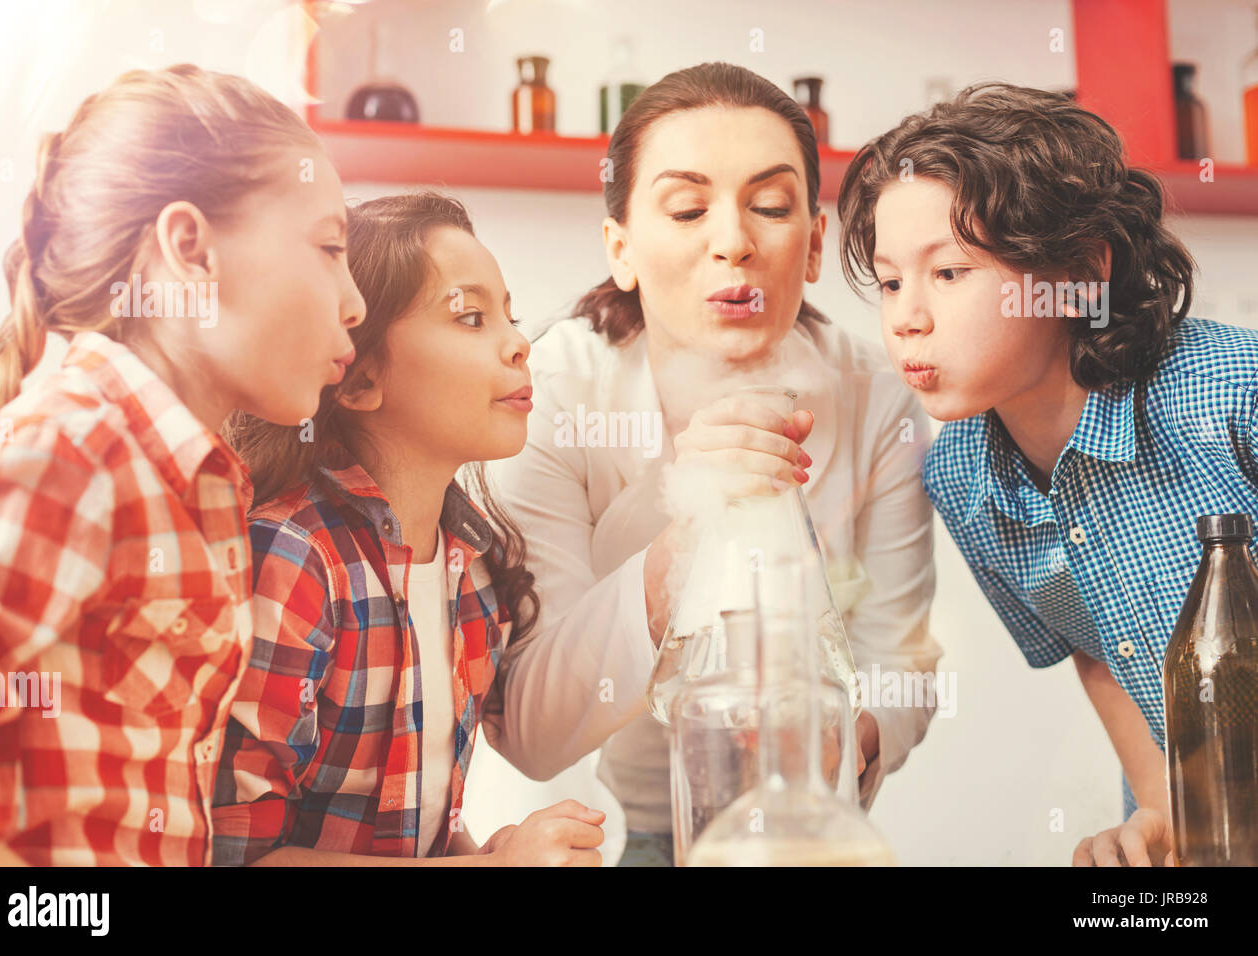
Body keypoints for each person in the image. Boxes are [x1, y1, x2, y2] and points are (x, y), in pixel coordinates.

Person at [486, 62, 941, 865]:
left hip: (812, 821)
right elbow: (529, 722)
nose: (733, 242)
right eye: (689, 208)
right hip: (627, 830)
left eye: (770, 207)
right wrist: (683, 526)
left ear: (811, 248)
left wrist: (840, 739)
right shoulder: (550, 391)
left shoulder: (876, 396)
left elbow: (899, 654)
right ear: (620, 248)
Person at [0, 64, 364, 865]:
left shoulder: (202, 481)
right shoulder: (72, 450)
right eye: (329, 248)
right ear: (190, 248)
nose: (353, 301)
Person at [837, 81, 1236, 866]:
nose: (906, 317)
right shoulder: (959, 476)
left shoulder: (1231, 395)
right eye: (889, 282)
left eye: (949, 272)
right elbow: (1099, 650)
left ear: (1082, 272)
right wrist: (1163, 813)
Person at [211, 193, 605, 866]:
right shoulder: (295, 561)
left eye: (508, 316)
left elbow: (412, 835)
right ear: (359, 377)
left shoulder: (477, 574)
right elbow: (241, 857)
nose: (517, 342)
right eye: (471, 318)